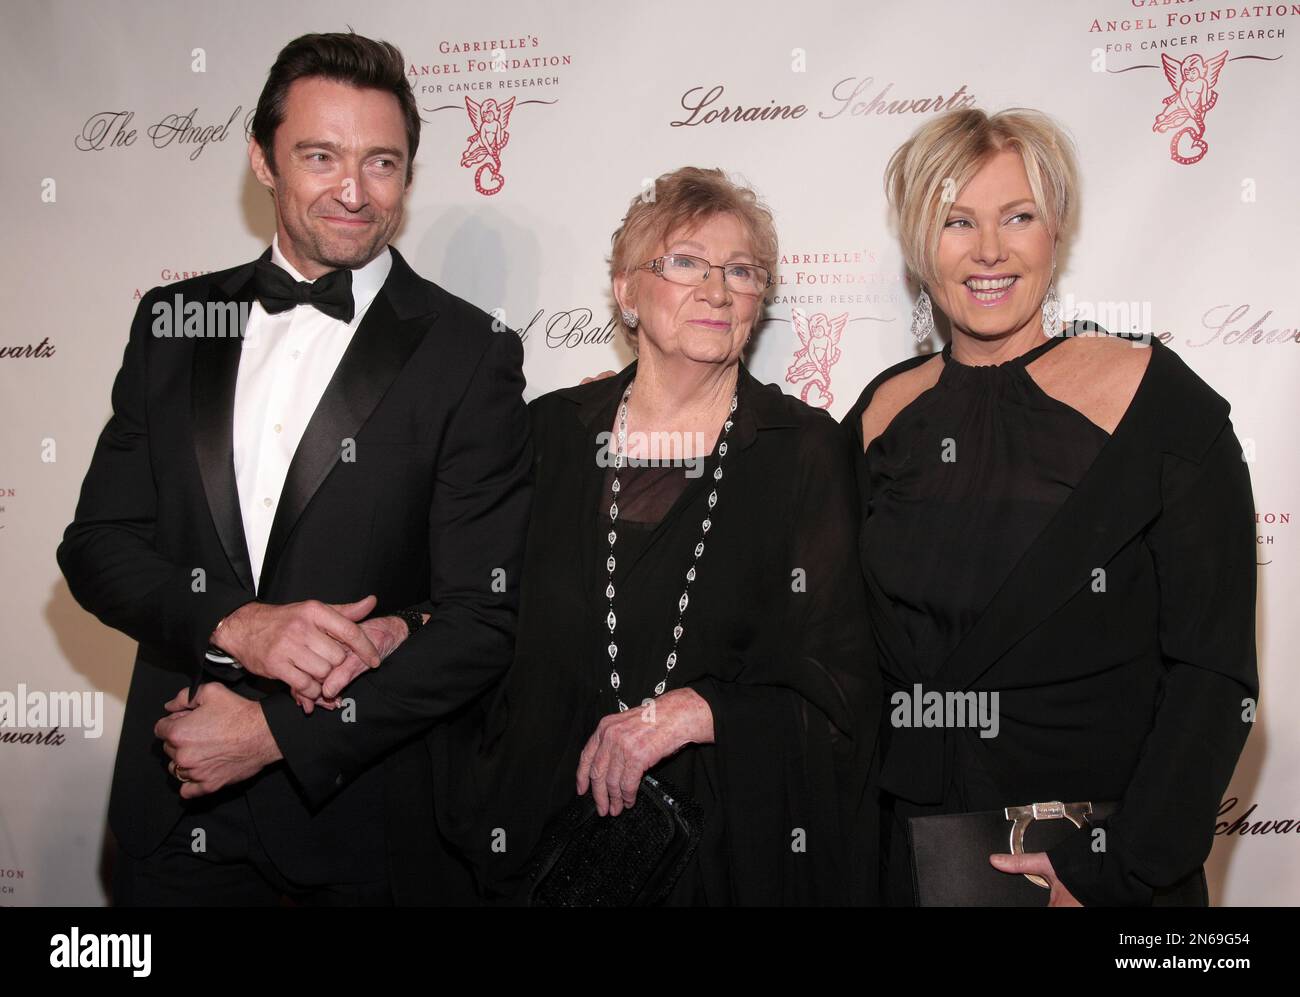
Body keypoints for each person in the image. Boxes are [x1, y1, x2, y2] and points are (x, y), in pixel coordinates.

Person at [56, 31, 532, 905]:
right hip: (173, 813)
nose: (353, 190)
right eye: (321, 155)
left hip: (364, 832)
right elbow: (97, 547)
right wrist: (238, 623)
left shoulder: (470, 352)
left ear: (409, 175)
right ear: (262, 161)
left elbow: (482, 619)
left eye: (381, 162)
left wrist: (278, 735)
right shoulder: (173, 319)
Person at [843, 107, 1257, 906]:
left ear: (1055, 229)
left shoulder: (1160, 406)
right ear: (919, 245)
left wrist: (1118, 871)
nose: (989, 248)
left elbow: (1213, 676)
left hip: (1093, 867)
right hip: (910, 861)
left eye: (1017, 216)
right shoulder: (877, 416)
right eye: (956, 220)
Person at [437, 167, 880, 905]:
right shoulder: (547, 434)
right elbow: (476, 624)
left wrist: (700, 710)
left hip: (723, 854)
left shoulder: (802, 449)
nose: (717, 289)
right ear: (626, 291)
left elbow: (846, 681)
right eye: (685, 263)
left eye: (742, 271)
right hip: (540, 844)